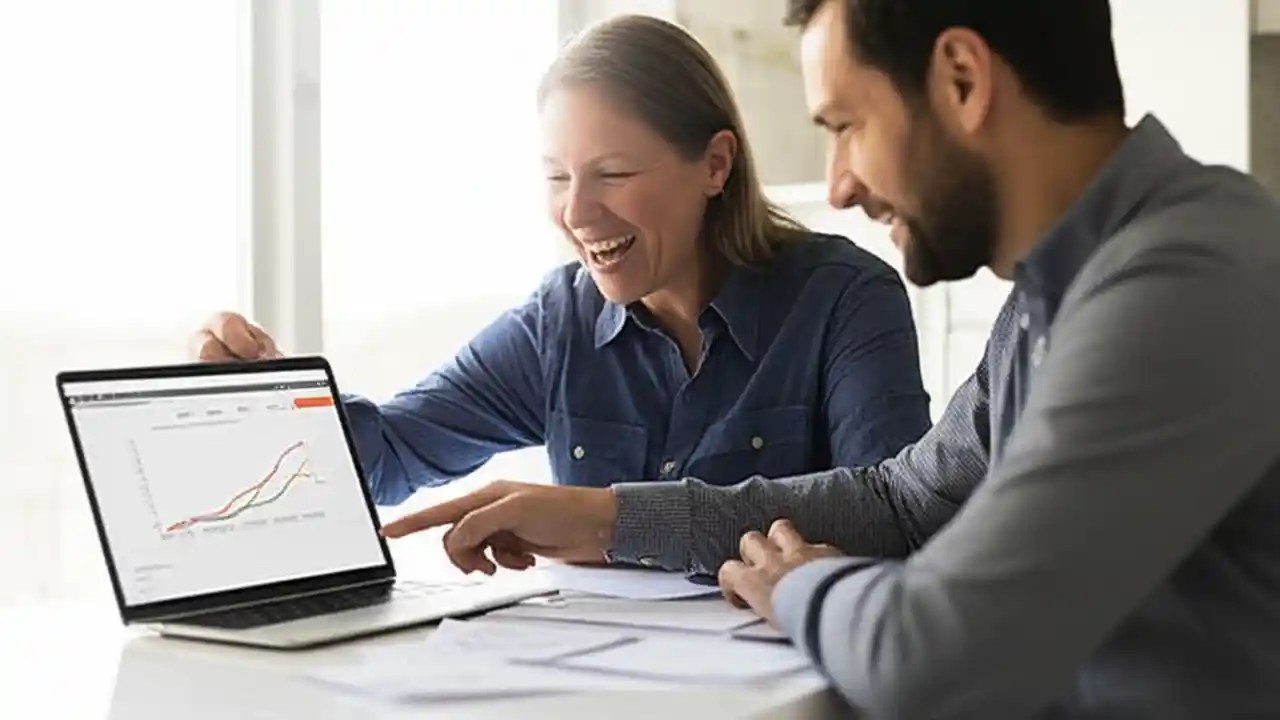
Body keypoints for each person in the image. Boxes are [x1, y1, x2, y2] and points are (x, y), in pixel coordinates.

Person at [381, 0, 1280, 717]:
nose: (840, 183)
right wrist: (615, 519)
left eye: (846, 125)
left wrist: (807, 587)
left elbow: (930, 660)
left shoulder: (1184, 282)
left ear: (963, 79)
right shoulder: (1060, 293)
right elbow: (904, 498)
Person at [192, 13, 933, 565]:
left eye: (613, 174)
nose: (577, 214)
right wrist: (263, 398)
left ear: (715, 166)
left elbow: (894, 518)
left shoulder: (846, 299)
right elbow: (386, 457)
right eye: (556, 177)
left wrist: (603, 518)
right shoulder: (559, 324)